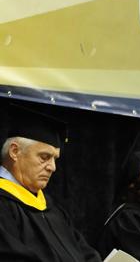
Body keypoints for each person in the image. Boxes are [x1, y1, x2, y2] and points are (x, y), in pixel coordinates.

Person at [0, 103, 102, 261]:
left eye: (55, 159)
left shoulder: (51, 207)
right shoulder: (4, 205)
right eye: (44, 157)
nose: (53, 168)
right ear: (15, 152)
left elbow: (85, 252)